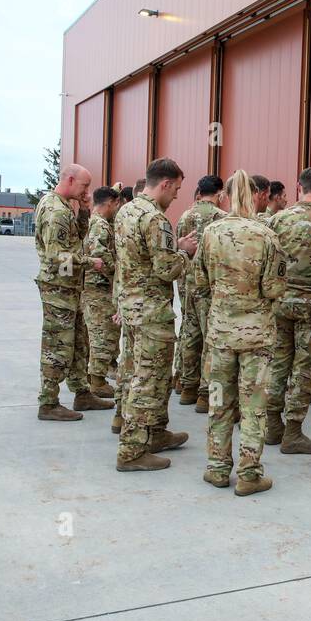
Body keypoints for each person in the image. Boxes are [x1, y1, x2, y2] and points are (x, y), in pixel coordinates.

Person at [196, 170, 286, 496]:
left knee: (219, 402)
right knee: (253, 404)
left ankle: (217, 467)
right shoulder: (267, 236)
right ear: (255, 194)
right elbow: (274, 287)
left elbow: (200, 283)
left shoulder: (210, 233)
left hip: (220, 335)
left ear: (228, 194)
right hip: (256, 337)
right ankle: (249, 472)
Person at [113, 159, 198, 471]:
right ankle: (132, 451)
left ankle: (156, 432)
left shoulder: (126, 211)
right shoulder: (156, 219)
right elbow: (166, 269)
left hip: (133, 307)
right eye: (176, 188)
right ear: (165, 184)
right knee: (147, 381)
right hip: (152, 313)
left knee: (142, 374)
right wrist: (185, 252)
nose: (176, 195)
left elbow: (135, 259)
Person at [266, 166, 311, 453]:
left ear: (298, 187)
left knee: (279, 361)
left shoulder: (277, 220)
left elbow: (267, 261)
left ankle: (272, 424)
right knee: (306, 368)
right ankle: (293, 430)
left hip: (281, 301)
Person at [36, 164, 110, 419]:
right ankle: (48, 402)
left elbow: (77, 236)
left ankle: (82, 393)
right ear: (69, 179)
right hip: (59, 290)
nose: (86, 190)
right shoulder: (56, 211)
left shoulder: (64, 205)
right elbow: (55, 254)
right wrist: (91, 262)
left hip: (70, 288)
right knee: (58, 346)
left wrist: (85, 210)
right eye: (84, 186)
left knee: (79, 343)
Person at [175, 176, 226, 412]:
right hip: (208, 285)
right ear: (219, 193)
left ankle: (187, 387)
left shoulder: (185, 216)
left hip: (187, 283)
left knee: (190, 332)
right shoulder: (219, 218)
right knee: (210, 338)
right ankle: (206, 394)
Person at [81, 186, 121, 397]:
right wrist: (117, 272)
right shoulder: (101, 225)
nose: (118, 208)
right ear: (110, 203)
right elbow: (99, 255)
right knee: (102, 335)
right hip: (100, 287)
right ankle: (97, 381)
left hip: (93, 287)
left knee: (96, 334)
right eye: (117, 204)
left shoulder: (91, 221)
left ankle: (92, 377)